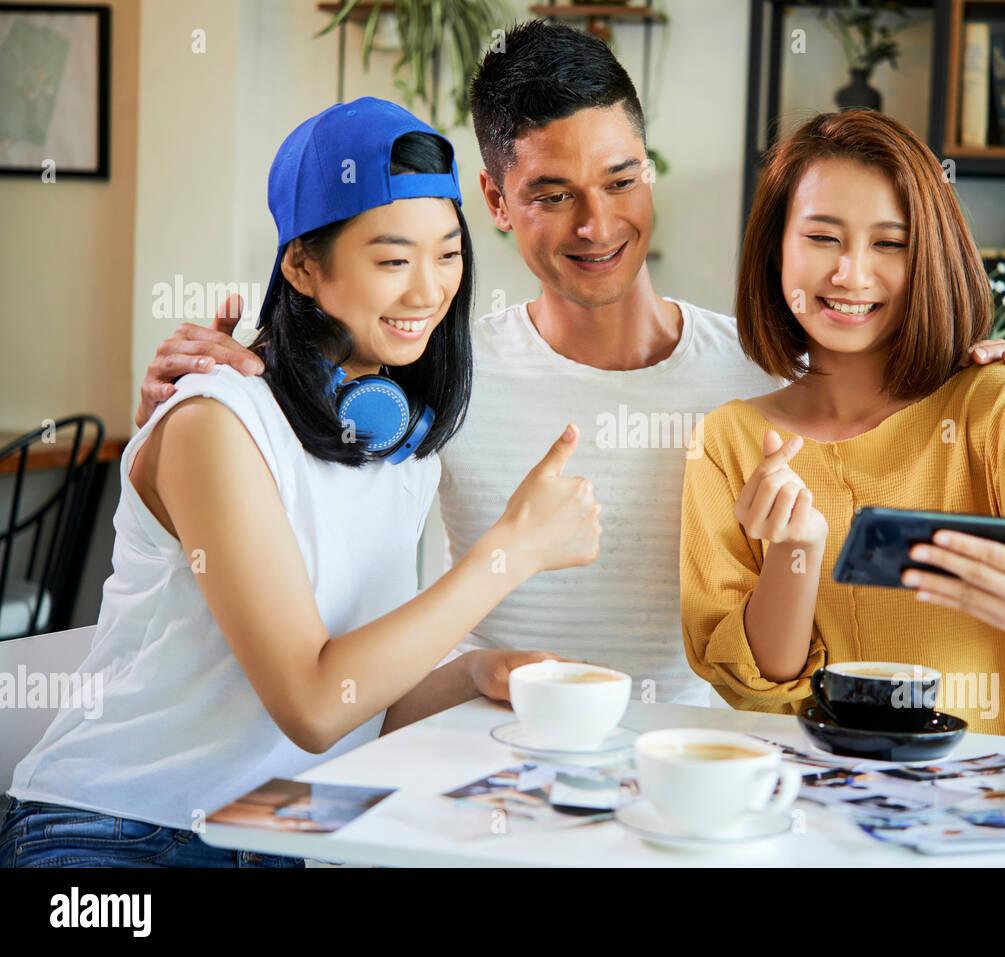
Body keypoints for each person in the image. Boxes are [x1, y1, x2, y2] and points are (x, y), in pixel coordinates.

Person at [129, 22, 1005, 708]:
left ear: (651, 170)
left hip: (706, 768)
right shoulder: (434, 374)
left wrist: (967, 364)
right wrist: (202, 374)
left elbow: (900, 401)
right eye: (552, 195)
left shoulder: (771, 371)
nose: (597, 225)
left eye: (621, 180)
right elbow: (301, 396)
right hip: (495, 766)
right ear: (492, 199)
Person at [0, 97, 600, 868]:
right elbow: (315, 705)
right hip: (112, 835)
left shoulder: (401, 445)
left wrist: (474, 671)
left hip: (276, 835)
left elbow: (355, 707)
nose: (428, 289)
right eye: (392, 259)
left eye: (447, 253)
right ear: (303, 265)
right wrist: (509, 553)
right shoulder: (217, 424)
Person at [679, 109, 1005, 743]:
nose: (851, 273)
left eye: (889, 243)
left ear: (929, 255)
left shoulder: (995, 398)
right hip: (837, 806)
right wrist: (794, 555)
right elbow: (762, 680)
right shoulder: (730, 442)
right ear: (775, 251)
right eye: (822, 238)